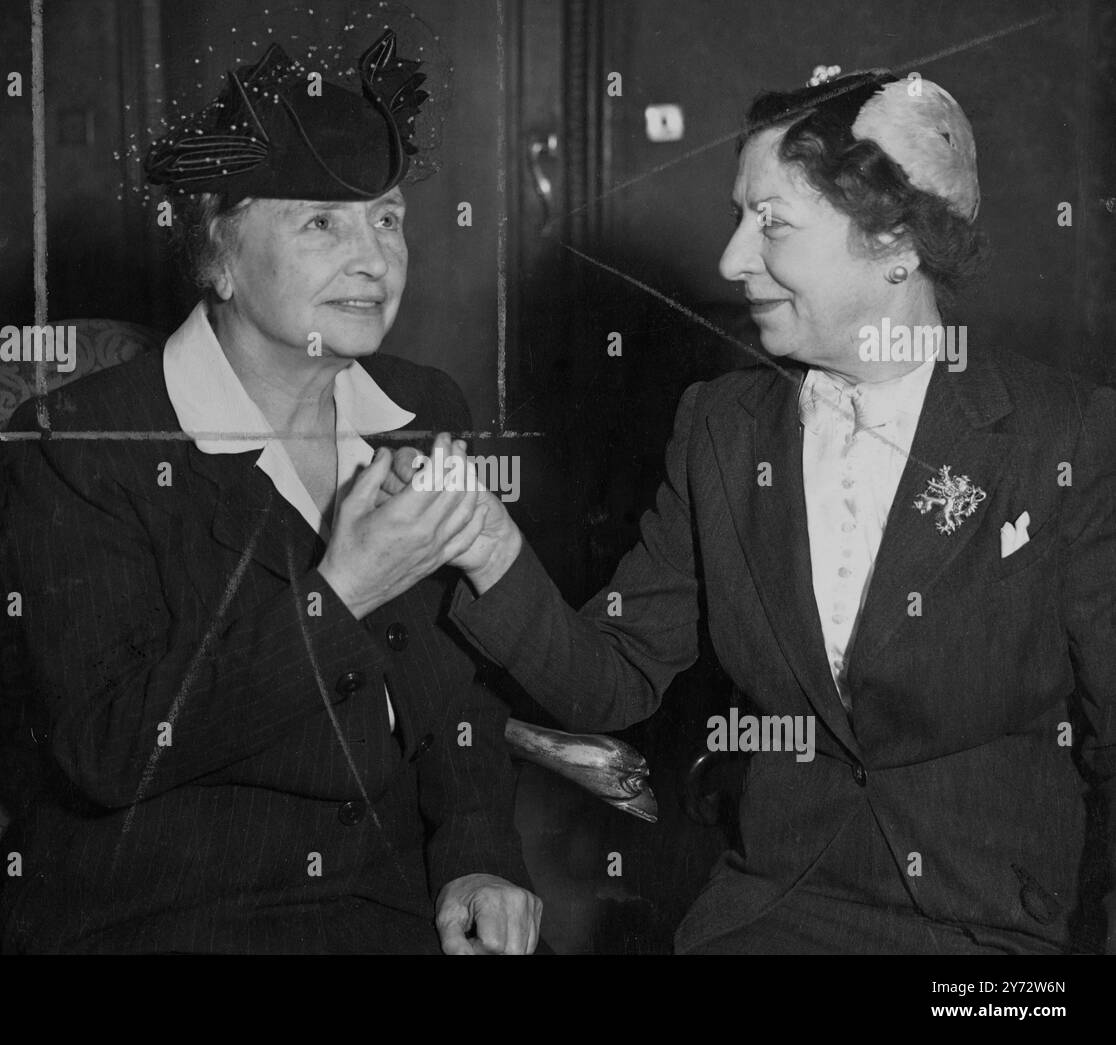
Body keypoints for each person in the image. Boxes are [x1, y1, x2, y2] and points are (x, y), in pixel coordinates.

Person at [387, 69, 1116, 953]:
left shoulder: (1066, 435)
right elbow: (613, 677)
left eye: (770, 222)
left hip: (993, 939)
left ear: (894, 237)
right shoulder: (722, 430)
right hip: (772, 912)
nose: (732, 259)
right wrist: (490, 551)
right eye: (739, 217)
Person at [0, 30, 540, 954]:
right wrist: (344, 593)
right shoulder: (80, 449)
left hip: (390, 897)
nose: (373, 259)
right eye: (321, 222)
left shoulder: (421, 407)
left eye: (388, 219)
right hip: (166, 909)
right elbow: (107, 744)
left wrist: (477, 852)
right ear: (219, 253)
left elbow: (461, 689)